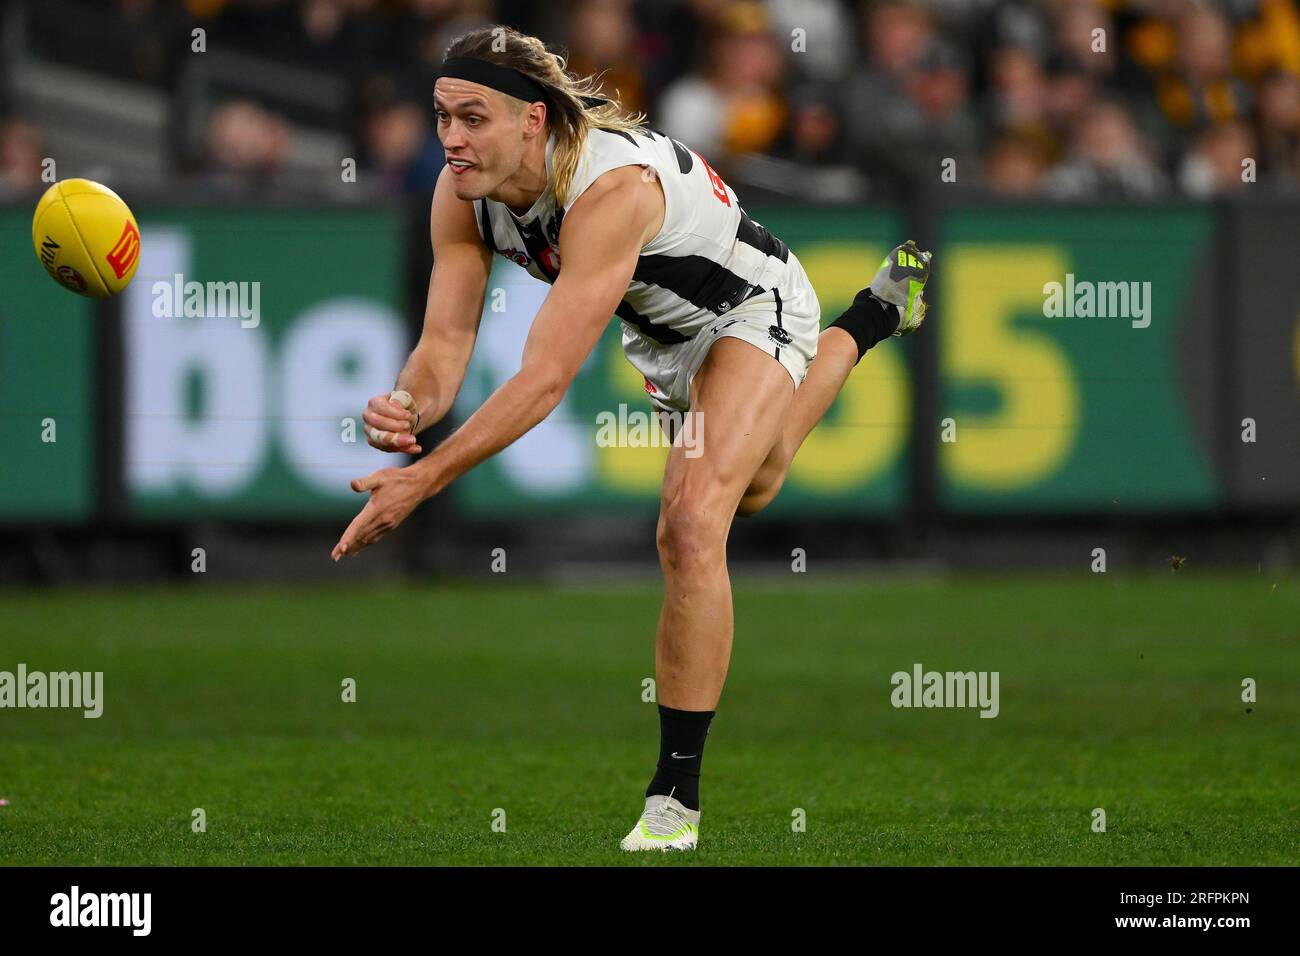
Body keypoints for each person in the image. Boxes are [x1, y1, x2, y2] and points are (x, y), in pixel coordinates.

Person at [330, 25, 931, 852]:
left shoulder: (610, 191)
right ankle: (872, 317)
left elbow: (543, 382)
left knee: (689, 526)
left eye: (473, 118)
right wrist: (408, 405)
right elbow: (443, 348)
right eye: (441, 117)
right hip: (663, 338)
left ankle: (673, 800)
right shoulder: (459, 192)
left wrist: (422, 481)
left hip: (752, 307)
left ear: (533, 121)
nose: (451, 140)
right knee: (759, 484)